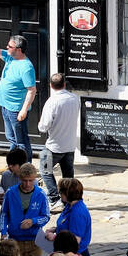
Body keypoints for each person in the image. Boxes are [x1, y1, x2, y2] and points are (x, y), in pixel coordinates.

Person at [0, 30, 37, 160]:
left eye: (10, 46)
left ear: (18, 49)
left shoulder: (26, 67)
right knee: (11, 139)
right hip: (6, 106)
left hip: (16, 109)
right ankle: (14, 164)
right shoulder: (10, 57)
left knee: (21, 141)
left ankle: (26, 167)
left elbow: (31, 90)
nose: (7, 47)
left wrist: (24, 110)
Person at [38, 74, 80, 202]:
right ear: (64, 84)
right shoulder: (74, 98)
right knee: (68, 175)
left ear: (50, 85)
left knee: (44, 170)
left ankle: (54, 197)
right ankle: (69, 199)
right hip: (70, 144)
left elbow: (44, 126)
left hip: (54, 145)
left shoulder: (52, 102)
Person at [0, 162, 49, 256]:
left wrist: (33, 221)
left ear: (34, 178)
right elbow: (4, 214)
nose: (27, 184)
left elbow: (46, 216)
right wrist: (3, 232)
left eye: (31, 180)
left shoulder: (41, 194)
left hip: (35, 242)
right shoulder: (10, 193)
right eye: (24, 180)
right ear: (20, 178)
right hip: (15, 241)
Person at [46, 177, 91, 256]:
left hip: (75, 255)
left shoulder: (77, 212)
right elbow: (67, 225)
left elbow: (75, 240)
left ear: (67, 193)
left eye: (61, 192)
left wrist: (54, 238)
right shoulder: (69, 205)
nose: (60, 195)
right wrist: (56, 229)